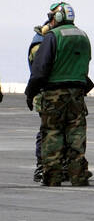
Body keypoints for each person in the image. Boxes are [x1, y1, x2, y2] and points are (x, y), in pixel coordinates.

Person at [25, 2, 94, 187]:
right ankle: (78, 175)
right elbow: (85, 64)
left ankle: (52, 177)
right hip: (77, 94)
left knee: (52, 134)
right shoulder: (83, 36)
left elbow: (40, 69)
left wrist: (30, 92)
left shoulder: (52, 36)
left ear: (57, 17)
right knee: (76, 134)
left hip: (54, 94)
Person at [27, 20, 50, 182]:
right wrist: (31, 93)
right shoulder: (40, 46)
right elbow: (38, 73)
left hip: (49, 94)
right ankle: (41, 166)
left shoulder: (46, 42)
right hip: (44, 95)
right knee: (46, 131)